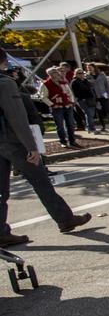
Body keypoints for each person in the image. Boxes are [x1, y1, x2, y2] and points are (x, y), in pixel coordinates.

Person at [0, 48, 91, 247]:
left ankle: (1, 231)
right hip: (13, 141)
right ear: (4, 61)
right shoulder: (5, 84)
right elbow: (17, 117)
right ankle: (64, 218)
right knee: (41, 182)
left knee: (1, 190)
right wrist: (31, 146)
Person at [41, 66, 80, 148]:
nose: (57, 74)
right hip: (57, 108)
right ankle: (63, 141)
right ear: (50, 74)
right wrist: (52, 104)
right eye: (54, 73)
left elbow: (69, 93)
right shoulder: (46, 84)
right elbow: (43, 97)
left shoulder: (63, 83)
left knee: (70, 124)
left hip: (67, 106)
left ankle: (72, 141)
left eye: (56, 72)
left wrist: (72, 101)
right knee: (60, 125)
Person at [71, 68, 98, 133]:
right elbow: (76, 92)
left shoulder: (85, 81)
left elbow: (91, 87)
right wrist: (81, 98)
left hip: (90, 99)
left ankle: (89, 127)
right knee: (88, 113)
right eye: (79, 73)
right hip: (82, 100)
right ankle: (92, 128)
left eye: (82, 73)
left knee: (91, 114)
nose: (81, 75)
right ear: (76, 74)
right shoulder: (74, 82)